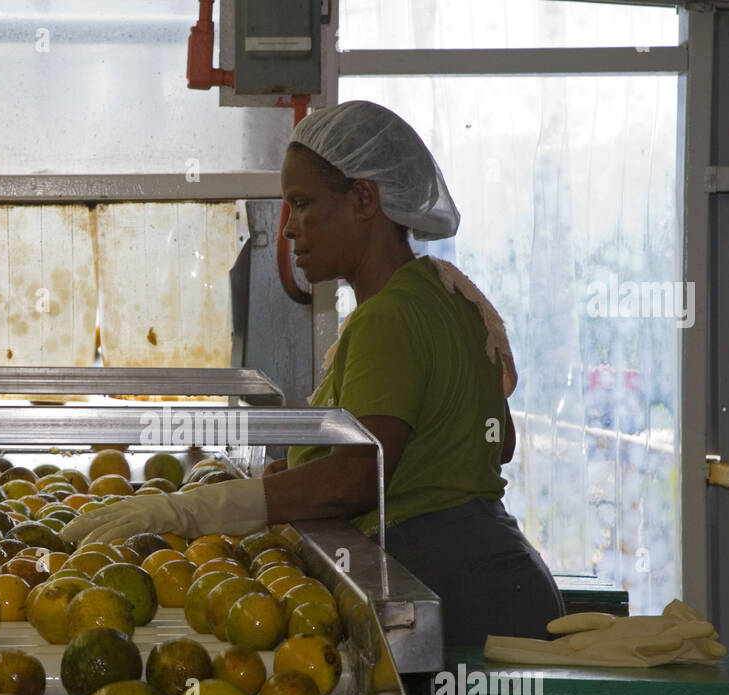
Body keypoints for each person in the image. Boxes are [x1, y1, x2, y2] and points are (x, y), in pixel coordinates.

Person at [62, 100, 563, 648]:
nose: (290, 230)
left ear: (365, 199)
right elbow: (495, 440)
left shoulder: (386, 318)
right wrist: (295, 474)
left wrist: (191, 510)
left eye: (302, 205)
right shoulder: (447, 294)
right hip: (505, 579)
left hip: (453, 594)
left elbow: (355, 479)